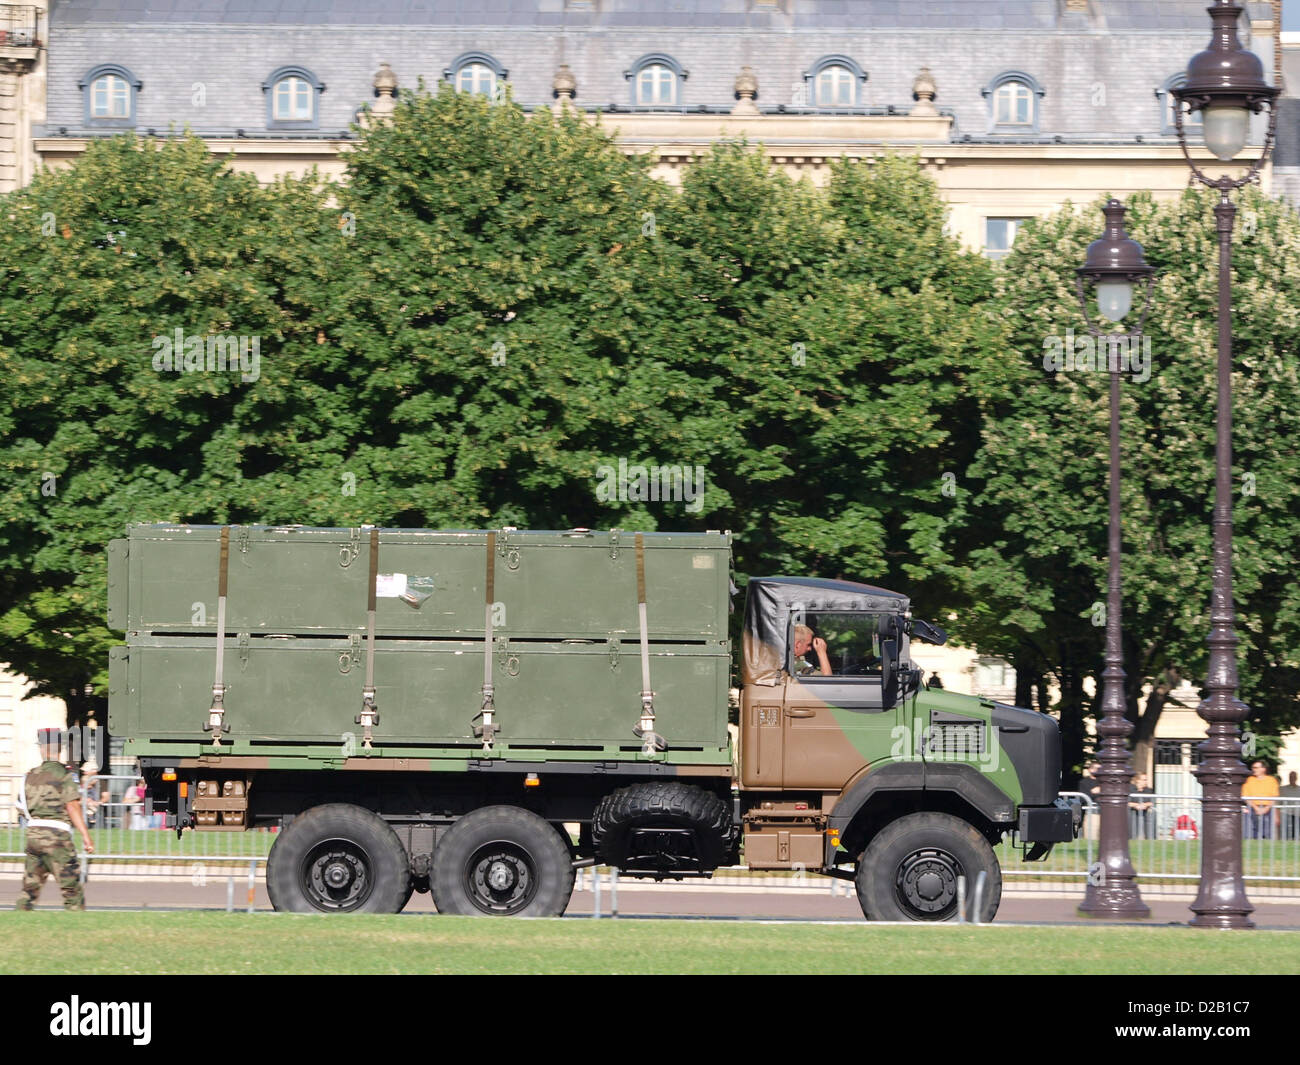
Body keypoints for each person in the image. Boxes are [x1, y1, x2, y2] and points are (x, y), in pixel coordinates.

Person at [15, 729, 94, 911]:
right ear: (60, 749)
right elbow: (72, 807)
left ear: (42, 749)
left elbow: (21, 807)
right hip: (58, 839)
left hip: (34, 837)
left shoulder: (29, 776)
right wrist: (86, 837)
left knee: (28, 892)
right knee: (71, 892)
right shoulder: (65, 775)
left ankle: (18, 927)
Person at [1242, 760, 1280, 840]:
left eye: (1256, 767)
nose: (1253, 769)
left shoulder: (1272, 780)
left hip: (1268, 809)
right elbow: (1245, 796)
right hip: (1252, 808)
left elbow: (1274, 797)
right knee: (1250, 832)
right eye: (1252, 768)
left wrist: (1266, 809)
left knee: (1267, 831)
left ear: (1263, 769)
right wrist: (1256, 808)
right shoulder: (1249, 780)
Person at [1128, 772, 1155, 840]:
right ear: (1138, 780)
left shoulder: (1148, 790)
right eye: (1144, 780)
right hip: (1132, 813)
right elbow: (1127, 802)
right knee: (1132, 832)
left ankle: (1149, 838)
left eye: (1146, 780)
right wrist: (1136, 805)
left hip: (1145, 813)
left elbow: (1151, 802)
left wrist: (1145, 805)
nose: (1146, 782)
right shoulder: (1130, 789)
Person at [1280, 771, 1300, 841]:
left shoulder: (1299, 789)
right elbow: (1279, 802)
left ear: (1296, 778)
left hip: (1297, 815)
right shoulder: (1282, 789)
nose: (1292, 778)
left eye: (1294, 777)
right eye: (1291, 777)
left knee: (1297, 833)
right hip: (1286, 814)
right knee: (1286, 833)